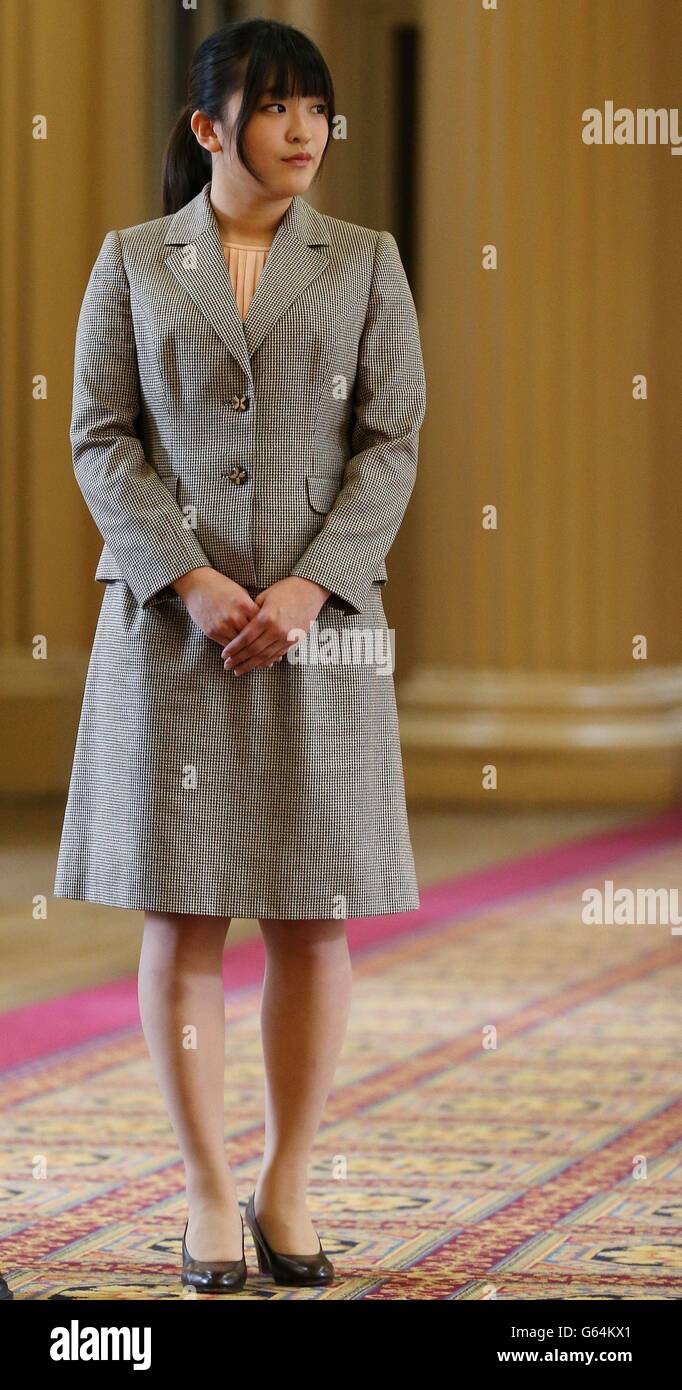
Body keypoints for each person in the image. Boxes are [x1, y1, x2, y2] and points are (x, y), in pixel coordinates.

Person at [53, 16, 426, 1292]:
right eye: (275, 108)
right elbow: (102, 437)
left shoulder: (369, 261)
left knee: (314, 916)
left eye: (318, 108)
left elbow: (392, 444)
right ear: (209, 127)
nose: (306, 130)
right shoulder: (132, 261)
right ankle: (210, 1190)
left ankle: (289, 1180)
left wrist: (315, 581)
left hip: (322, 633)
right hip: (173, 631)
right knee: (186, 912)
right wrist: (194, 576)